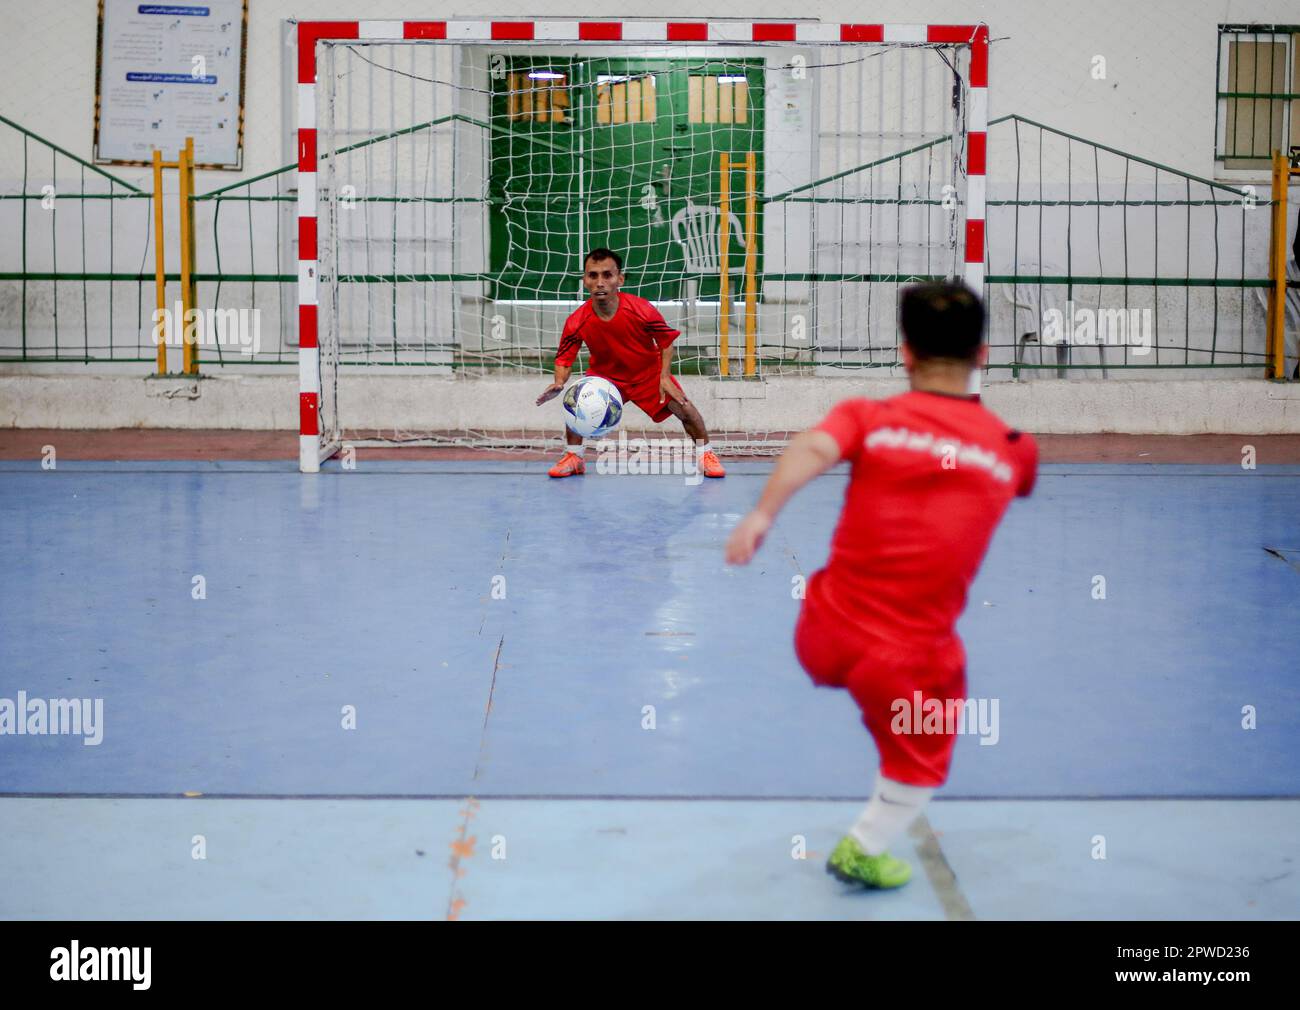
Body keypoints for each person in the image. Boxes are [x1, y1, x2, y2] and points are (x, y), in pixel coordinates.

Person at [725, 282, 1038, 889]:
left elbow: (814, 445)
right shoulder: (1012, 449)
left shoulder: (868, 418)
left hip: (822, 631)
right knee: (923, 754)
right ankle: (862, 848)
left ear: (904, 354)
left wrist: (762, 516)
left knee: (885, 695)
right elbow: (1016, 481)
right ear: (984, 355)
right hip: (906, 661)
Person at [536, 248, 725, 478]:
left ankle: (705, 455)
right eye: (593, 275)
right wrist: (559, 382)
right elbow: (565, 358)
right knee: (577, 404)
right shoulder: (577, 321)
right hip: (606, 377)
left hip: (648, 374)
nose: (600, 282)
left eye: (607, 275)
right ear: (585, 280)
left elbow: (666, 341)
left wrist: (664, 377)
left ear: (620, 279)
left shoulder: (641, 309)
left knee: (685, 408)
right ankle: (574, 456)